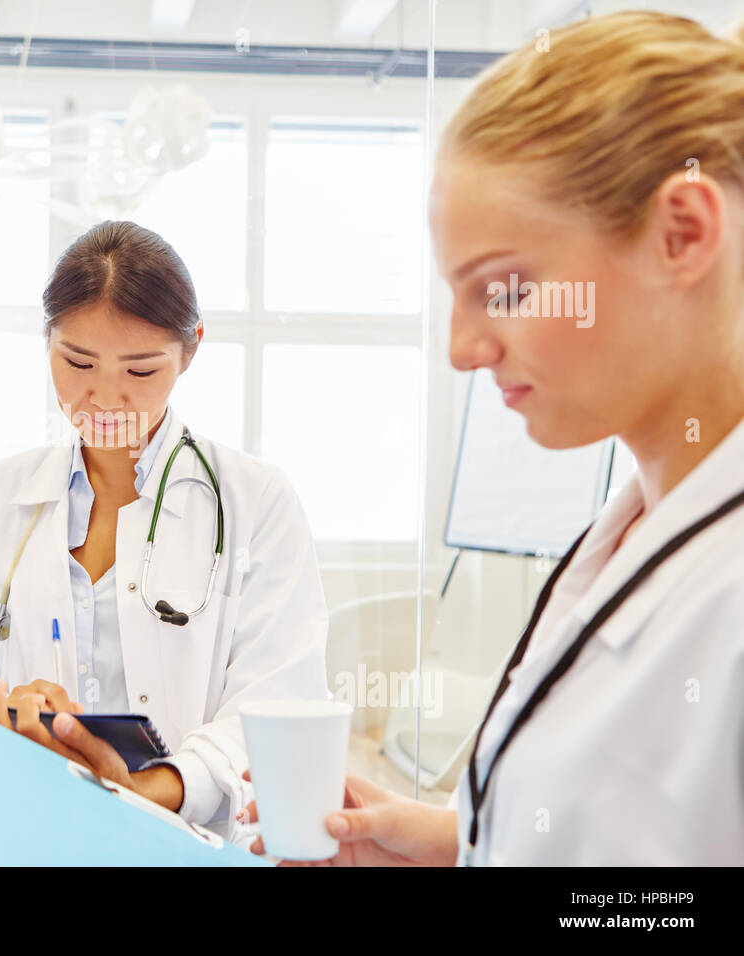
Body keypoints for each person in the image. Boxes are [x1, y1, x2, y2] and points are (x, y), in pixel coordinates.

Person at [246, 10, 744, 866]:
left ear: (683, 234)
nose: (463, 349)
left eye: (505, 290)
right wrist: (459, 845)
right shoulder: (637, 525)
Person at [0, 220, 329, 839]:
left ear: (191, 347)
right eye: (78, 361)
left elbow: (277, 703)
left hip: (186, 837)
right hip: (32, 826)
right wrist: (7, 708)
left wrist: (148, 791)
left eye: (140, 371)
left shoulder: (257, 502)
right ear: (47, 342)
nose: (105, 398)